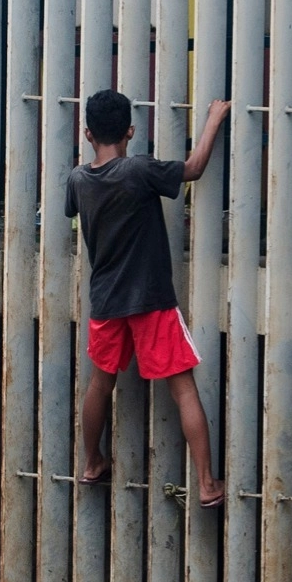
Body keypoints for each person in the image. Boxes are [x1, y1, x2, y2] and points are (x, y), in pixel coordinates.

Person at [64, 89, 231, 508]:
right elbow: (192, 169)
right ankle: (207, 484)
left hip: (106, 303)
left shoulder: (77, 180)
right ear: (131, 131)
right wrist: (213, 119)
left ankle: (91, 462)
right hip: (151, 300)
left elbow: (74, 212)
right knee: (183, 389)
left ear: (87, 134)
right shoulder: (138, 170)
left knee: (100, 385)